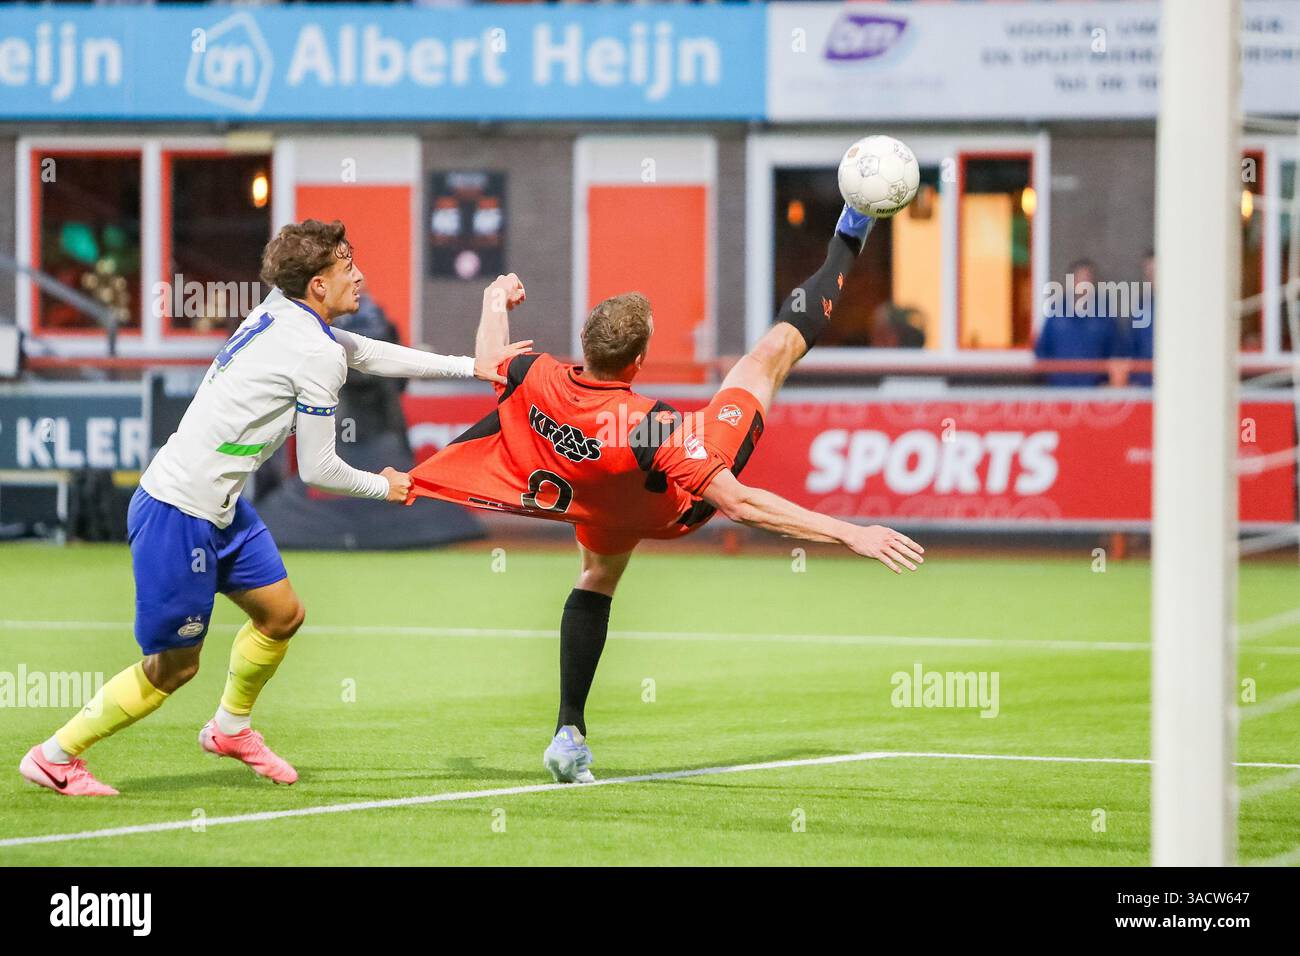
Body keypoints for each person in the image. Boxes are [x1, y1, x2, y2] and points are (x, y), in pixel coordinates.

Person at [409, 206, 924, 784]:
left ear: (585, 342)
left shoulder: (539, 374)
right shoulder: (652, 424)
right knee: (769, 355)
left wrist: (492, 302)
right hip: (669, 508)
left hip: (592, 501)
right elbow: (740, 504)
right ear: (639, 361)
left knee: (596, 579)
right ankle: (847, 239)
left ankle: (568, 733)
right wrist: (851, 532)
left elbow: (488, 363)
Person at [18, 219, 529, 796]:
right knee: (176, 667)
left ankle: (231, 729)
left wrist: (471, 367)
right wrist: (383, 487)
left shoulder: (283, 311)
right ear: (316, 285)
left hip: (223, 506)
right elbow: (318, 470)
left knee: (282, 615)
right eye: (345, 267)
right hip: (176, 511)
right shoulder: (314, 351)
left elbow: (361, 350)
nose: (359, 275)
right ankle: (55, 755)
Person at [1034, 259, 1120, 386]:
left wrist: (1104, 380)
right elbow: (1042, 349)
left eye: (1087, 279)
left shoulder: (1104, 317)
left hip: (1093, 392)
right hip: (1059, 390)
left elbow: (1115, 351)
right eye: (1079, 278)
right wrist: (1051, 377)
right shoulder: (1056, 313)